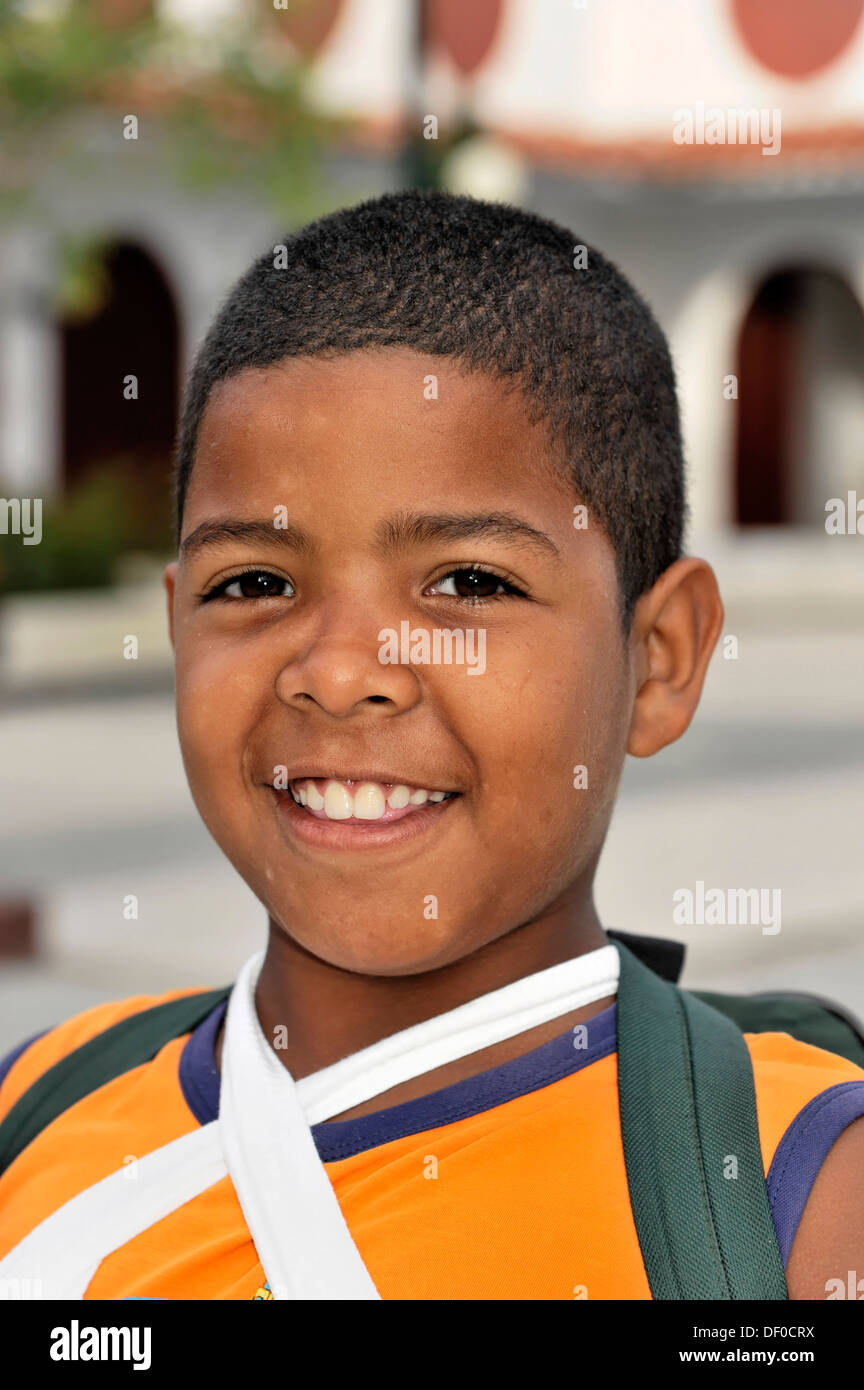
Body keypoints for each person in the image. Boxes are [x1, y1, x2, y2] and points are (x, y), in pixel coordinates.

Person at [2, 190, 863, 1300]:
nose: (342, 670)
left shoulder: (787, 1204)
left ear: (659, 657)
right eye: (254, 583)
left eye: (469, 581)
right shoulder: (47, 1106)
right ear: (177, 626)